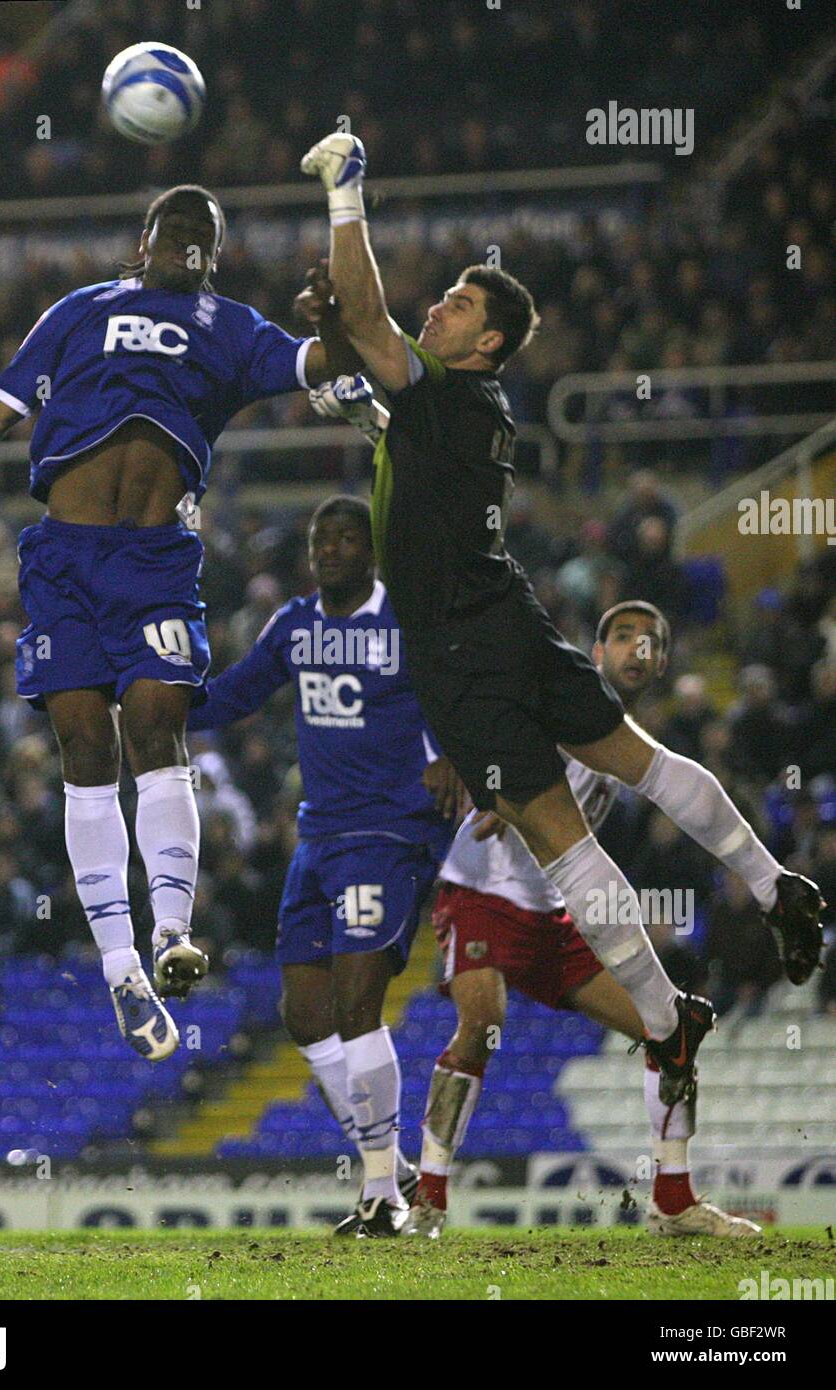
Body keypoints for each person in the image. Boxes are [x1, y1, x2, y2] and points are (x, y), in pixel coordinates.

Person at [297, 132, 824, 1108]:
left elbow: (364, 316)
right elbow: (409, 434)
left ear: (484, 341)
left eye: (458, 305)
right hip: (514, 615)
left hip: (462, 657)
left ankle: (669, 1022)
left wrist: (347, 195)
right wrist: (363, 409)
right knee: (643, 760)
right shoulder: (475, 405)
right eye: (445, 295)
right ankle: (775, 881)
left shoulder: (439, 387)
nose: (438, 307)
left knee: (565, 842)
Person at [0, 183, 350, 1063]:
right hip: (63, 561)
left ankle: (171, 933)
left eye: (207, 233)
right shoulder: (79, 311)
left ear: (215, 255)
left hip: (157, 560)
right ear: (145, 240)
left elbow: (325, 365)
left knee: (158, 724)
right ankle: (120, 966)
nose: (190, 241)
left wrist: (335, 316)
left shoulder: (233, 329)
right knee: (84, 746)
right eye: (177, 227)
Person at [401, 602, 760, 1240]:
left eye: (650, 641)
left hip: (554, 910)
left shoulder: (629, 741)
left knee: (670, 1031)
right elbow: (479, 698)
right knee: (482, 1023)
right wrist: (470, 761)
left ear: (663, 664)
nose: (637, 650)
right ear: (596, 654)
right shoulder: (558, 692)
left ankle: (673, 1200)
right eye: (623, 637)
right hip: (482, 887)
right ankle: (428, 1200)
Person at [187, 496, 463, 1235]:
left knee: (354, 1004)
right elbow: (236, 693)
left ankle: (381, 1193)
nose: (332, 549)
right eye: (321, 540)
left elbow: (453, 696)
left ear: (371, 553)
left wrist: (443, 759)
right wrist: (153, 707)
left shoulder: (403, 624)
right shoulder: (295, 624)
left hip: (387, 833)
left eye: (347, 539)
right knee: (303, 1014)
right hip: (317, 838)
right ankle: (393, 1167)